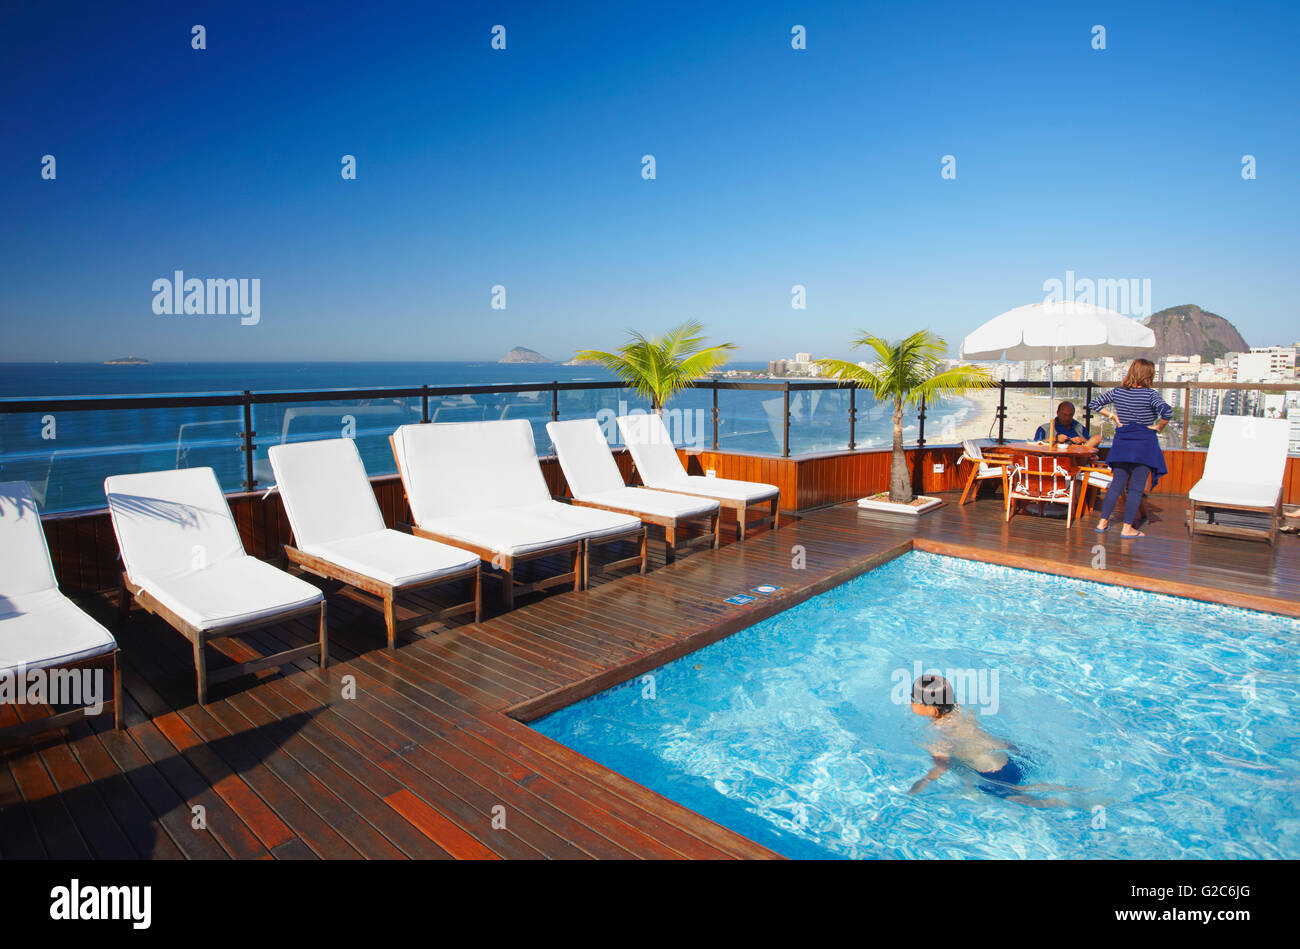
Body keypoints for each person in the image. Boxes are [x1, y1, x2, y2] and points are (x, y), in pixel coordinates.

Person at [906, 675, 1065, 807]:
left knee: (1031, 800)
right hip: (1011, 753)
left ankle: (1072, 803)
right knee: (1039, 786)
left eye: (914, 699)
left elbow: (942, 766)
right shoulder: (960, 709)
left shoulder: (937, 732)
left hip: (994, 775)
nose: (910, 701)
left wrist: (924, 781)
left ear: (932, 709)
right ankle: (1078, 790)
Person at [1088, 358, 1173, 538]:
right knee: (1135, 489)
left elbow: (1094, 404)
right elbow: (1168, 412)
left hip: (1122, 442)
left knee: (1116, 486)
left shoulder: (1118, 392)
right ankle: (1127, 528)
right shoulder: (1151, 395)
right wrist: (1159, 427)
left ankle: (1102, 523)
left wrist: (1113, 416)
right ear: (1148, 375)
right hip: (1144, 444)